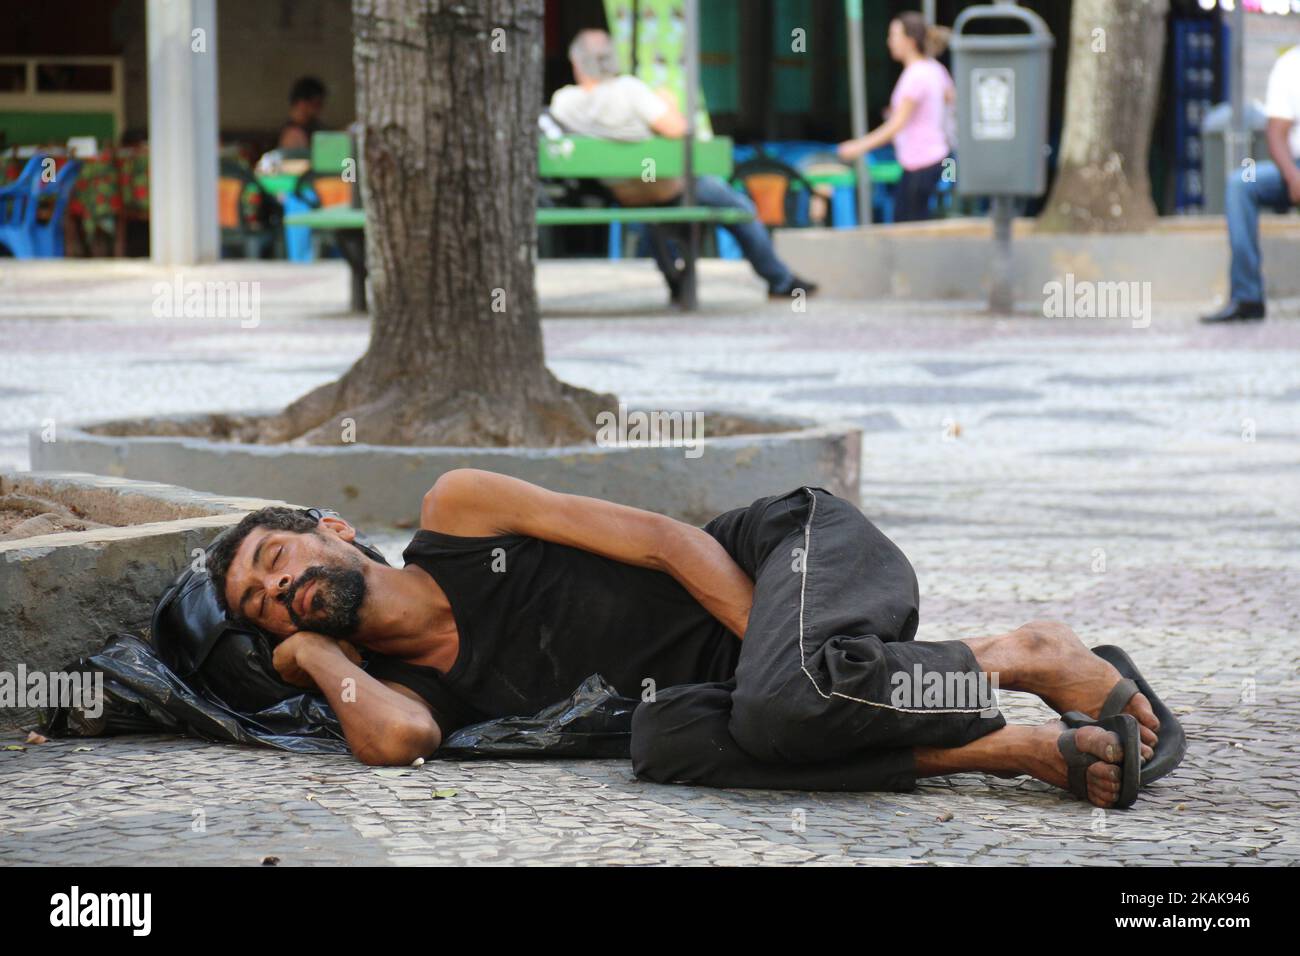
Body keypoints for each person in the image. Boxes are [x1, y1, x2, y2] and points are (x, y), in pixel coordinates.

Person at [206, 468, 1169, 809]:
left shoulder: (459, 514)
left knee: (784, 698)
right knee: (661, 741)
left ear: (331, 529)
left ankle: (1016, 655)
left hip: (791, 552)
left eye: (278, 557)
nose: (281, 588)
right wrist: (322, 659)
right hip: (786, 682)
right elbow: (400, 746)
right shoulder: (421, 697)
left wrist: (787, 672)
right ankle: (1015, 749)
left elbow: (667, 542)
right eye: (261, 605)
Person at [548, 29, 817, 303]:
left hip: (626, 193)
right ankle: (779, 280)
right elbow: (678, 130)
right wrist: (669, 102)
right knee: (741, 209)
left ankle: (677, 283)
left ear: (577, 63)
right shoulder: (629, 90)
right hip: (667, 187)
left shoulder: (565, 102)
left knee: (654, 219)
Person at [1203, 45, 1300, 324]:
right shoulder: (1290, 65)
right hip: (1294, 168)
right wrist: (1292, 176)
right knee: (1240, 183)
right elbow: (1276, 133)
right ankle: (1247, 297)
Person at [837, 12, 954, 222]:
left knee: (908, 229)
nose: (889, 41)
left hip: (921, 161)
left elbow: (896, 125)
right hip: (936, 158)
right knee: (917, 225)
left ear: (909, 41)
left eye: (894, 35)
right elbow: (949, 101)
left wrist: (858, 146)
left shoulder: (915, 75)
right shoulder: (935, 69)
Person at [278, 76, 327, 151]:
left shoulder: (313, 127)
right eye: (316, 104)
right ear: (302, 103)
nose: (320, 109)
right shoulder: (293, 134)